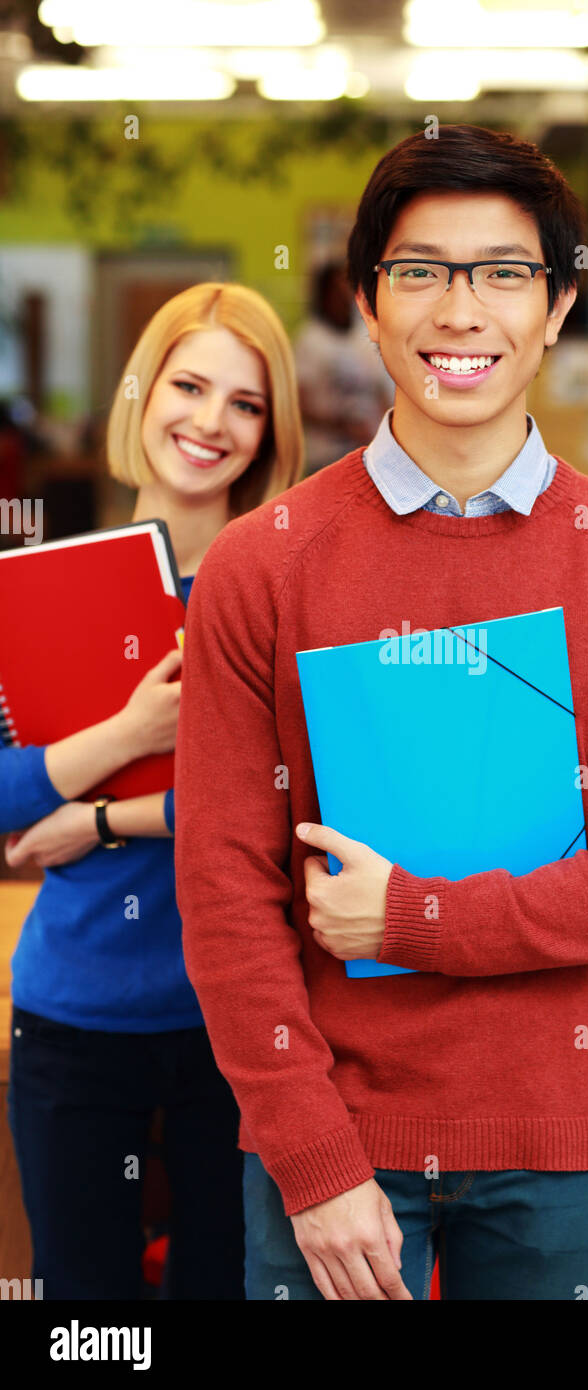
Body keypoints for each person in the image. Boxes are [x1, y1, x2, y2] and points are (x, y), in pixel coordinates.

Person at [174, 126, 588, 1302]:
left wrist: (415, 919)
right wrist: (313, 1157)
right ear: (366, 305)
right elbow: (225, 892)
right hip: (330, 1141)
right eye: (420, 271)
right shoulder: (260, 567)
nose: (460, 309)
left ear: (558, 303)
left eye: (502, 272)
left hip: (559, 1142)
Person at [3, 282, 302, 1299]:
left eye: (246, 403)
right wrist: (129, 734)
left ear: (270, 432)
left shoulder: (276, 596)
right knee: (85, 1311)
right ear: (140, 391)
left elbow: (284, 803)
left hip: (239, 1028)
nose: (210, 422)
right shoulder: (39, 587)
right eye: (188, 385)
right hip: (74, 1018)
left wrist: (90, 819)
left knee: (226, 1287)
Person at [294, 259, 393, 475]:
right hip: (325, 455)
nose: (343, 294)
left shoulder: (365, 335)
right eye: (337, 288)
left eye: (347, 287)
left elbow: (381, 392)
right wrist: (343, 425)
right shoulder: (311, 339)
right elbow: (299, 404)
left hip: (370, 452)